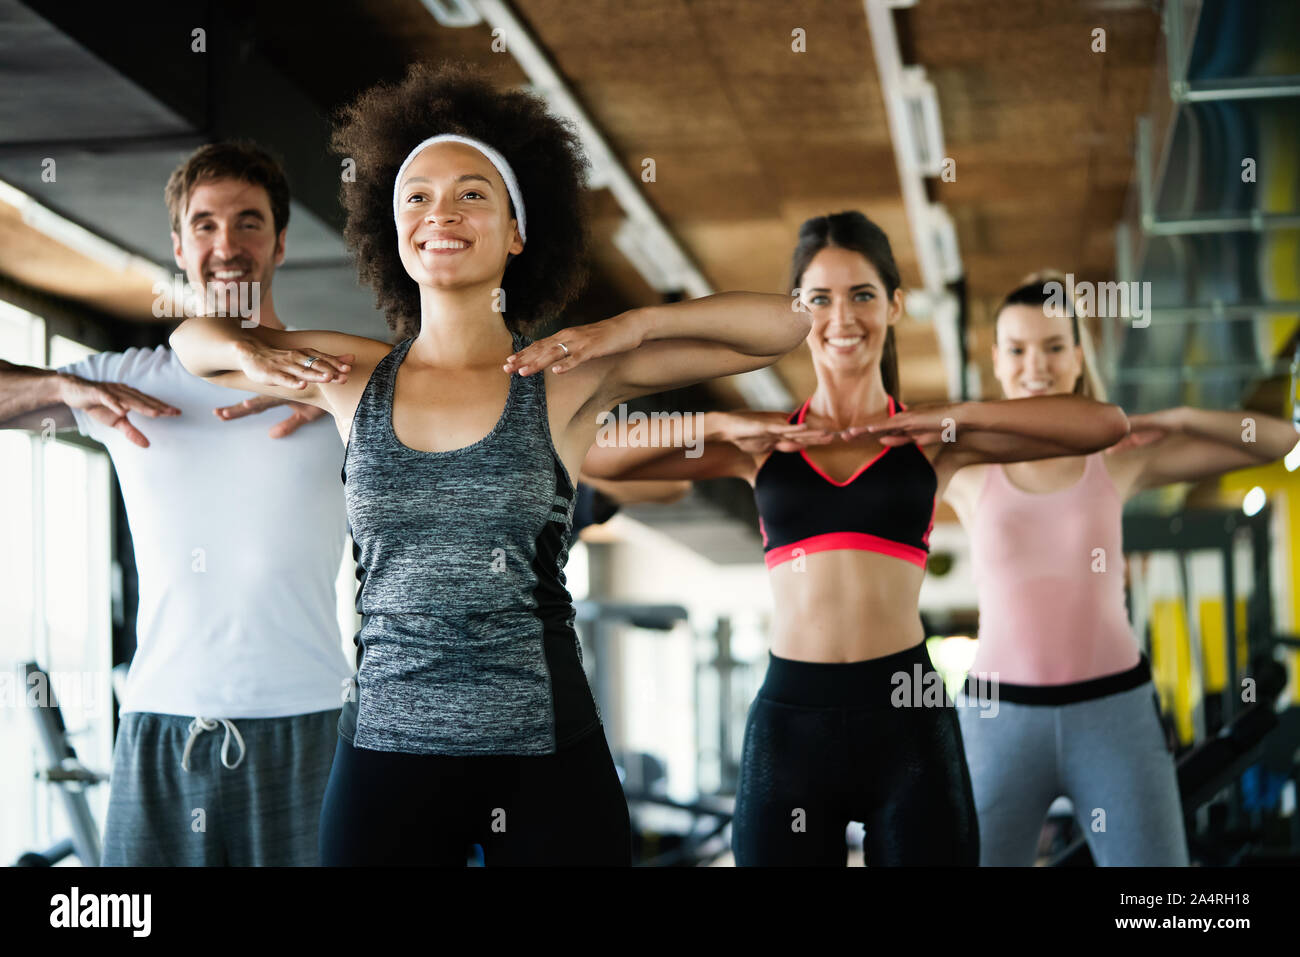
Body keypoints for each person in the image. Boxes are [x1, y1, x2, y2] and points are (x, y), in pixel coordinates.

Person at [168, 62, 813, 866]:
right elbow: (187, 343)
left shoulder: (567, 377)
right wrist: (250, 354)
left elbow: (789, 324)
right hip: (384, 755)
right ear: (392, 230)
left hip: (543, 756)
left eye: (472, 193)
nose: (441, 212)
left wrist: (632, 326)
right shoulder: (352, 375)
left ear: (516, 230)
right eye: (418, 197)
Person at [582, 211, 1132, 865]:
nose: (842, 318)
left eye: (863, 295)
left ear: (896, 304)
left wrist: (957, 413)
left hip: (908, 721)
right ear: (797, 311)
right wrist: (725, 422)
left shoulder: (932, 438)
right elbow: (597, 456)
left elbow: (1103, 423)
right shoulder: (763, 442)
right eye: (820, 299)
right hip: (791, 725)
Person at [0, 141, 352, 866]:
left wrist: (344, 395)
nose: (228, 245)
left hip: (311, 723)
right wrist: (61, 387)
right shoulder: (126, 377)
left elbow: (449, 396)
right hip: (163, 727)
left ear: (281, 242)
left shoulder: (335, 380)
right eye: (206, 225)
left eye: (250, 223)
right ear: (179, 244)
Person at [943, 274, 1300, 866]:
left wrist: (1180, 416)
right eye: (1018, 349)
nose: (1037, 365)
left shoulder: (1116, 458)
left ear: (1078, 358)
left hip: (1113, 716)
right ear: (997, 362)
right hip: (995, 717)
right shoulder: (966, 467)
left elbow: (1279, 439)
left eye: (1055, 347)